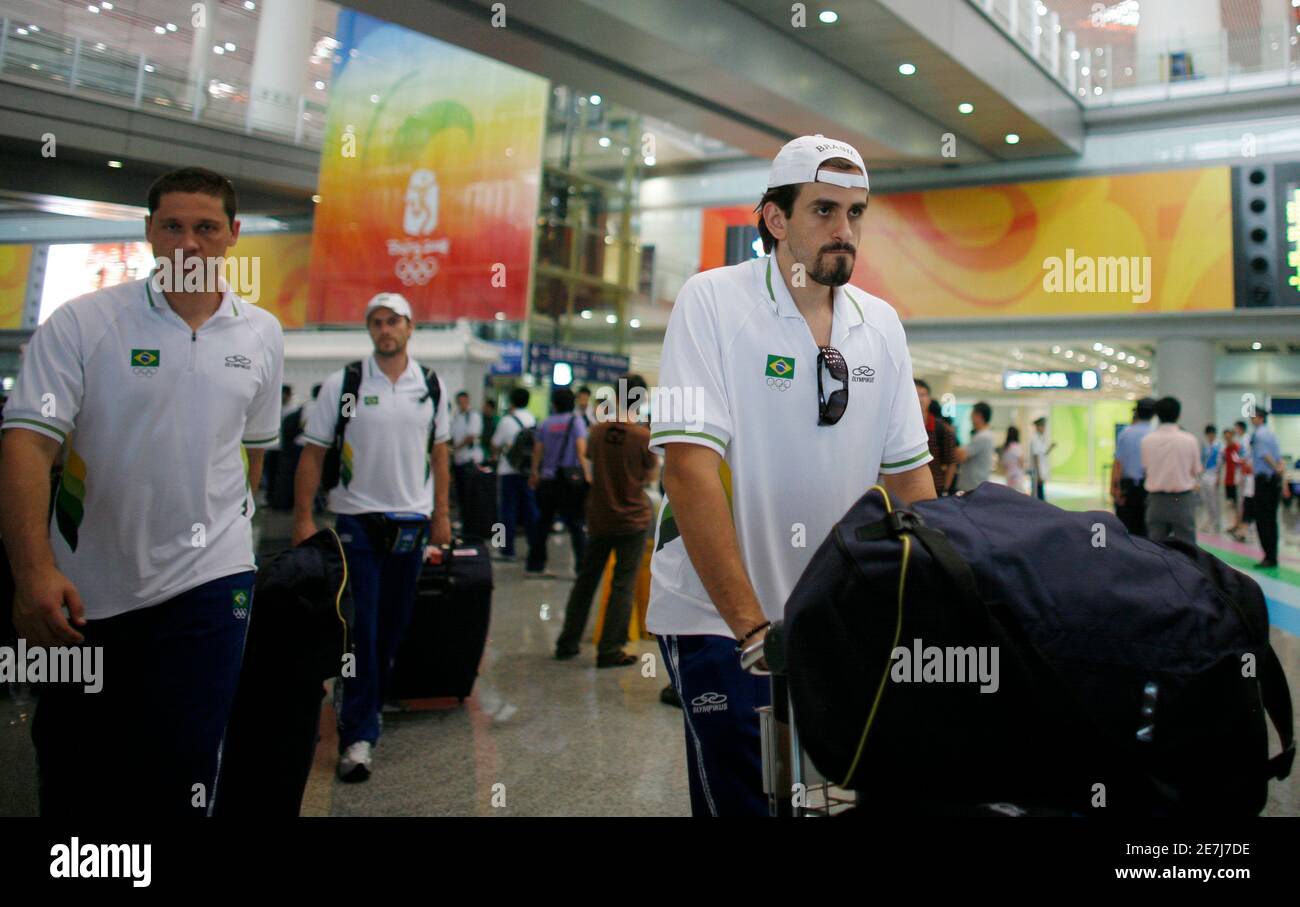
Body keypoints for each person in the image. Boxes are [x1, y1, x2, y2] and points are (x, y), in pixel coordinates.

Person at [648, 135, 935, 816]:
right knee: (748, 800)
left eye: (856, 213)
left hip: (835, 623)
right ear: (775, 219)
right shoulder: (712, 302)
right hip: (718, 620)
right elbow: (689, 469)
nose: (845, 232)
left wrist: (931, 606)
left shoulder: (882, 326)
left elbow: (911, 481)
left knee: (834, 798)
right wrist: (752, 631)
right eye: (824, 211)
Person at [0, 167, 285, 816]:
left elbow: (250, 450)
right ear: (149, 232)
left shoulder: (261, 333)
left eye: (207, 228)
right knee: (75, 766)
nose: (190, 242)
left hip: (211, 585)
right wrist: (32, 573)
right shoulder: (83, 323)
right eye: (174, 226)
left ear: (234, 236)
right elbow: (26, 444)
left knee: (184, 763)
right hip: (87, 591)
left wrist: (233, 535)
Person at [292, 292, 451, 782]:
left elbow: (441, 453)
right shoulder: (347, 383)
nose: (385, 330)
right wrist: (302, 518)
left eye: (394, 322)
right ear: (369, 329)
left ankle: (366, 701)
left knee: (393, 626)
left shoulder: (430, 384)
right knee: (362, 629)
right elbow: (314, 453)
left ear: (410, 327)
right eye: (377, 322)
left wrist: (442, 515)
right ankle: (359, 735)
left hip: (412, 523)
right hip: (357, 522)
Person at [554, 374, 659, 667]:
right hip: (632, 518)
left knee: (586, 580)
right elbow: (650, 476)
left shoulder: (596, 432)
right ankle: (610, 649)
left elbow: (590, 464)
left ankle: (567, 641)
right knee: (622, 584)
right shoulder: (643, 437)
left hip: (599, 516)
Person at [527, 387, 589, 577]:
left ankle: (535, 564)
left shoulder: (546, 424)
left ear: (553, 404)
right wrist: (587, 474)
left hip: (547, 479)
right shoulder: (576, 421)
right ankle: (581, 567)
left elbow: (538, 450)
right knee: (576, 524)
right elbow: (581, 450)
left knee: (543, 522)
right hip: (568, 481)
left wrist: (534, 472)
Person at [1139, 396, 1201, 547]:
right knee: (1188, 548)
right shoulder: (1189, 440)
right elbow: (1196, 470)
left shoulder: (1147, 441)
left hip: (1156, 500)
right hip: (1182, 500)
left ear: (1157, 415)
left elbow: (1145, 468)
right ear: (1179, 415)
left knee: (1156, 547)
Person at [491, 387, 539, 562]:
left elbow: (495, 444)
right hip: (527, 471)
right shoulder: (533, 419)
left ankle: (505, 549)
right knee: (530, 510)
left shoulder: (506, 421)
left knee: (506, 511)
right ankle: (535, 547)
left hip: (507, 471)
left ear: (511, 401)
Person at [1111, 397, 1156, 537]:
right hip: (1149, 488)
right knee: (1147, 531)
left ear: (1137, 412)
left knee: (1127, 531)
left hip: (1128, 489)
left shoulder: (1125, 433)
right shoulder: (1155, 434)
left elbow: (1118, 463)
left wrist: (1115, 488)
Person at [1249, 408, 1284, 568]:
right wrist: (1278, 470)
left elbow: (1265, 455)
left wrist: (1275, 468)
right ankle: (1272, 555)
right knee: (1270, 519)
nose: (1252, 419)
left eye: (1254, 416)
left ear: (1260, 418)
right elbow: (1279, 457)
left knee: (1263, 520)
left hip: (1265, 481)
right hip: (1272, 482)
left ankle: (1269, 557)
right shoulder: (1270, 434)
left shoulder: (1259, 435)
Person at [915, 378, 956, 496]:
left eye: (923, 395)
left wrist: (945, 490)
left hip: (934, 490)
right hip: (907, 489)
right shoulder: (901, 427)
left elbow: (951, 463)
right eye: (916, 395)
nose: (920, 399)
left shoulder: (942, 428)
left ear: (929, 399)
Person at [450, 390, 484, 523]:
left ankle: (470, 521)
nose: (462, 404)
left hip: (470, 460)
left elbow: (471, 436)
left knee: (469, 492)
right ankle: (462, 519)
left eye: (465, 401)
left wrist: (455, 448)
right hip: (458, 460)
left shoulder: (473, 416)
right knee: (460, 492)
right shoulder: (456, 416)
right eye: (460, 401)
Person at [954, 402, 995, 493]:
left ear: (979, 416)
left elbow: (961, 456)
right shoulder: (985, 434)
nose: (970, 418)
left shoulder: (982, 436)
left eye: (972, 414)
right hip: (976, 484)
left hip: (973, 486)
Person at [1199, 425, 1223, 534]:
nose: (1210, 436)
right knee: (1206, 500)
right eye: (1208, 434)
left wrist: (1219, 477)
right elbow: (1202, 460)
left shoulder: (1219, 446)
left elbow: (1220, 463)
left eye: (1211, 434)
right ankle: (1209, 520)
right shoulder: (1205, 446)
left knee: (1214, 501)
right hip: (1205, 474)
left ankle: (1216, 522)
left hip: (1214, 474)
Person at [1028, 416, 1056, 501]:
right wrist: (1039, 475)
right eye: (1042, 426)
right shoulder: (1035, 439)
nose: (1044, 428)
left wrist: (1050, 448)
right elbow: (1036, 457)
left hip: (1040, 471)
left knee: (1040, 493)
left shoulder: (1041, 438)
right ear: (1038, 427)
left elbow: (1043, 454)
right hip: (1037, 472)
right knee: (1037, 495)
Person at [1222, 426, 1241, 532]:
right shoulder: (1225, 450)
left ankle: (1238, 524)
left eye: (1229, 437)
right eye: (1225, 438)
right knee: (1232, 504)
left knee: (1238, 503)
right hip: (1228, 479)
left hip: (1236, 480)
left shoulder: (1237, 448)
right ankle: (1234, 523)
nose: (1227, 439)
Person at [1001, 425, 1026, 493]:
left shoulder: (1005, 447)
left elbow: (1003, 463)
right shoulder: (1016, 446)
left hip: (1008, 475)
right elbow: (1021, 461)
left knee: (1010, 494)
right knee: (1018, 494)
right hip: (1016, 475)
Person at [480, 398, 499, 466]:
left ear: (491, 408)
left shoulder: (497, 420)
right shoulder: (480, 419)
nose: (484, 408)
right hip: (482, 451)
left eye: (486, 406)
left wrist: (494, 454)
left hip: (492, 452)